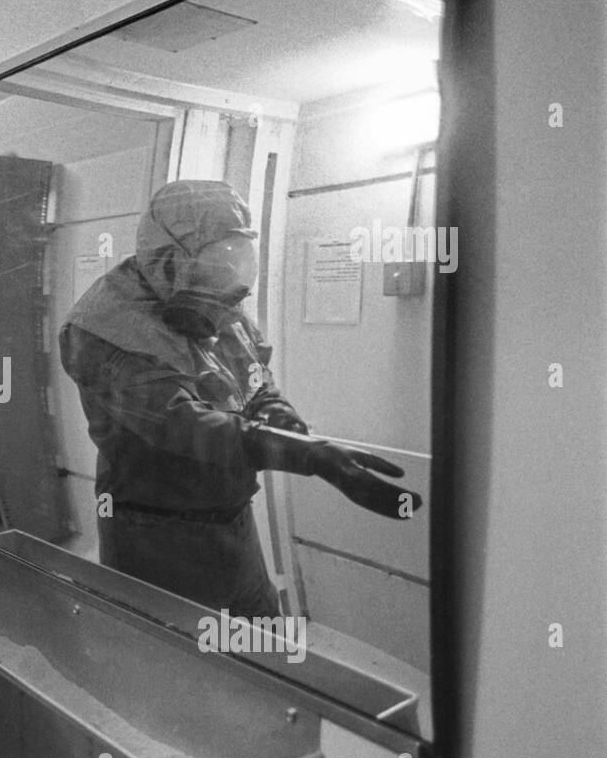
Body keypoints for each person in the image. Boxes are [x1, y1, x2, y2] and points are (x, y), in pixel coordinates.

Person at [59, 179, 419, 617]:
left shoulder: (211, 301)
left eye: (232, 265)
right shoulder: (102, 329)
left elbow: (254, 378)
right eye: (214, 267)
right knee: (174, 671)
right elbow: (184, 428)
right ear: (169, 260)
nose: (226, 287)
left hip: (233, 523)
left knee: (264, 650)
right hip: (152, 535)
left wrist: (277, 413)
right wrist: (311, 456)